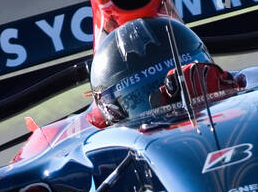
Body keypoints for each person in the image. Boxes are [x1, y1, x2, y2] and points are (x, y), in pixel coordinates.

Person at [89, 16, 241, 124]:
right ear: (110, 112)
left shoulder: (243, 81)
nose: (175, 110)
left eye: (183, 85)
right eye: (139, 101)